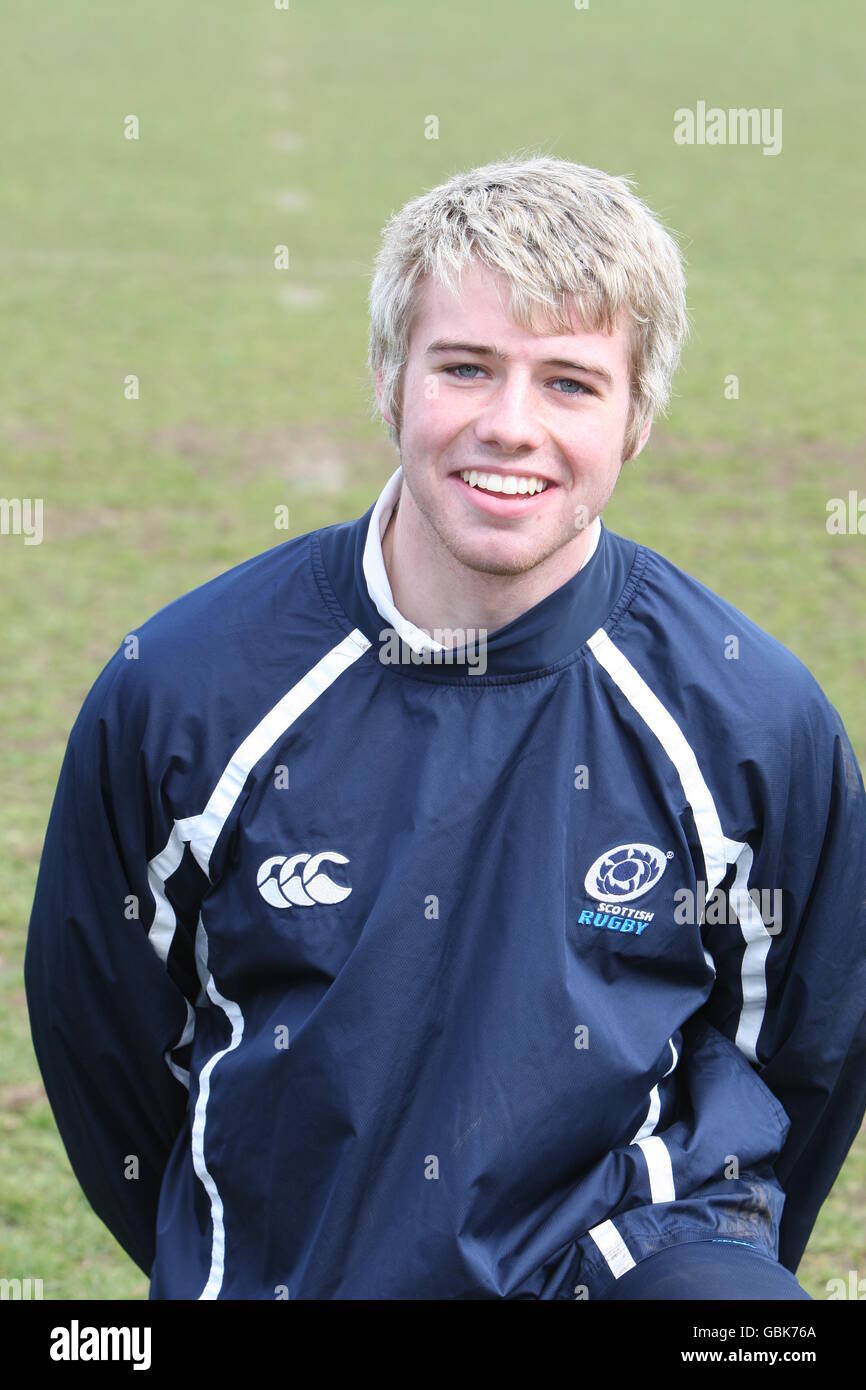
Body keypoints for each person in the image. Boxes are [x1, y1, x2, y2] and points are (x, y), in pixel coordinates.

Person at [25, 155, 865, 1300]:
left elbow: (802, 1062)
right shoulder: (183, 689)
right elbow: (103, 1040)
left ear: (637, 420)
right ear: (386, 377)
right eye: (464, 368)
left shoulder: (749, 717)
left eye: (569, 383)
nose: (509, 426)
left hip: (612, 1273)